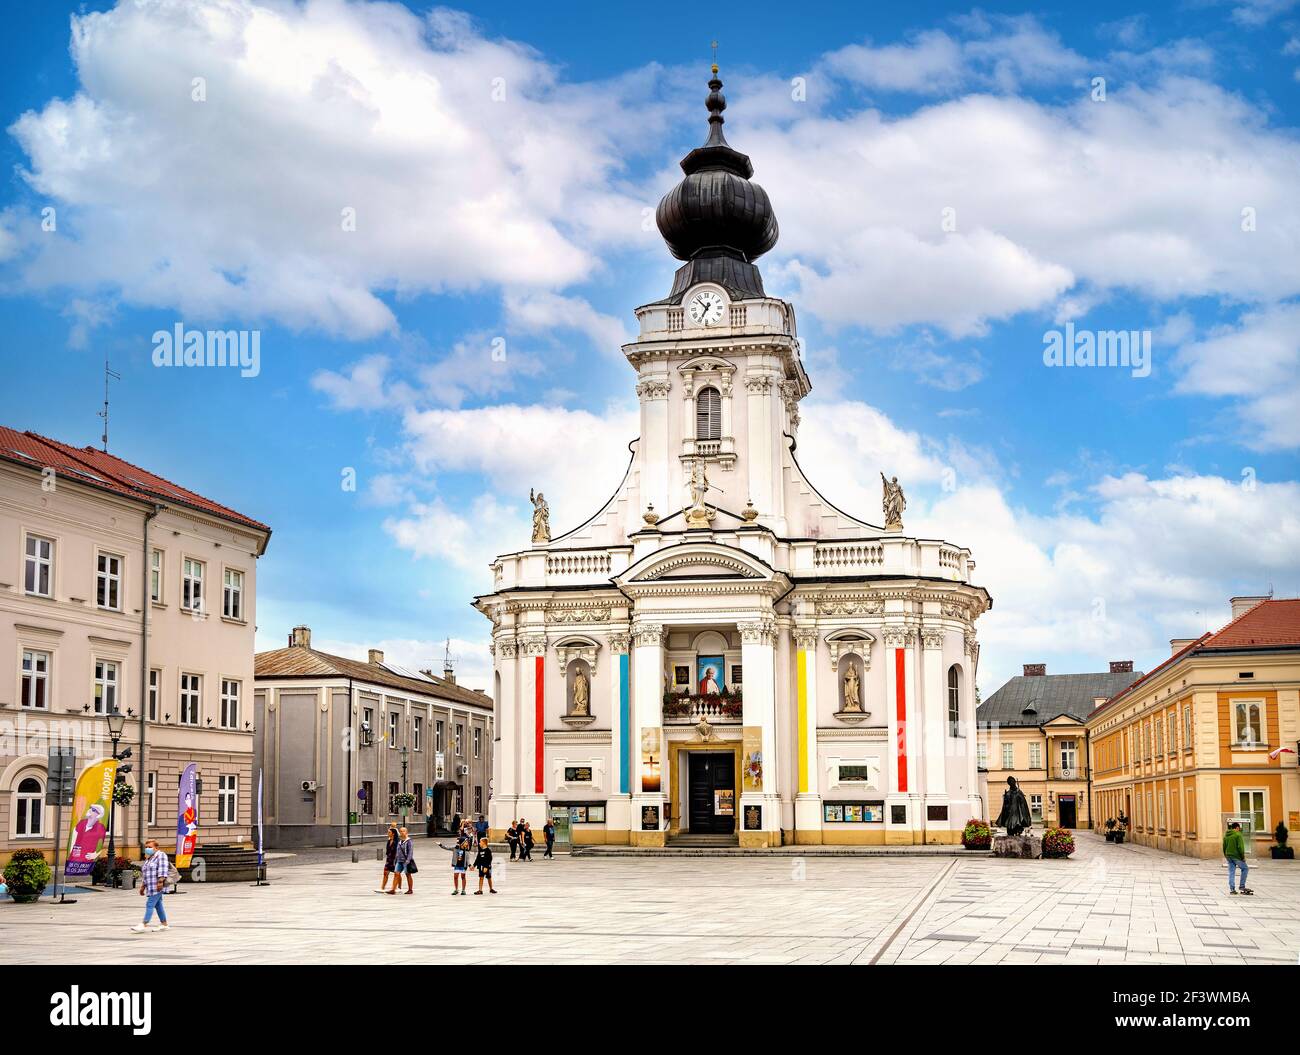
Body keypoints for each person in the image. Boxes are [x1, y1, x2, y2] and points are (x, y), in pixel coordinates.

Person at [131, 839, 169, 933]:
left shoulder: (161, 855)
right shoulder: (149, 858)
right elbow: (146, 873)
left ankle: (144, 924)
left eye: (150, 847)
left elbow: (163, 868)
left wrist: (160, 881)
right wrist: (143, 886)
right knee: (158, 905)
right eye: (146, 847)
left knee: (150, 904)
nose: (148, 849)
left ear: (156, 848)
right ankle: (164, 924)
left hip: (157, 885)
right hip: (150, 886)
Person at [1224, 821, 1253, 895]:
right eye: (1239, 828)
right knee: (1245, 868)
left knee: (1231, 872)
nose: (1239, 830)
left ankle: (1232, 889)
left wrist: (1226, 855)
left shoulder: (1226, 835)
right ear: (1237, 828)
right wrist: (1242, 857)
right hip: (1236, 856)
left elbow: (1224, 847)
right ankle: (1242, 886)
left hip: (1229, 856)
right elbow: (1240, 847)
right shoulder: (1238, 835)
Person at [388, 826, 416, 895]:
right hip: (399, 861)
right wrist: (396, 859)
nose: (402, 832)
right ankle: (393, 889)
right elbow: (398, 851)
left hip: (406, 861)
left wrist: (408, 861)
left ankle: (410, 889)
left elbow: (410, 852)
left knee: (408, 875)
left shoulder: (409, 841)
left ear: (406, 832)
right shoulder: (400, 842)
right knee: (396, 874)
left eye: (403, 831)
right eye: (400, 831)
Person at [377, 824, 398, 892]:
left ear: (393, 834)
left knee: (397, 874)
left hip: (395, 860)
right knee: (385, 873)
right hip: (389, 860)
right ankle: (382, 887)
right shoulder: (389, 841)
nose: (388, 833)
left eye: (389, 832)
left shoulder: (397, 842)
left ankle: (397, 887)